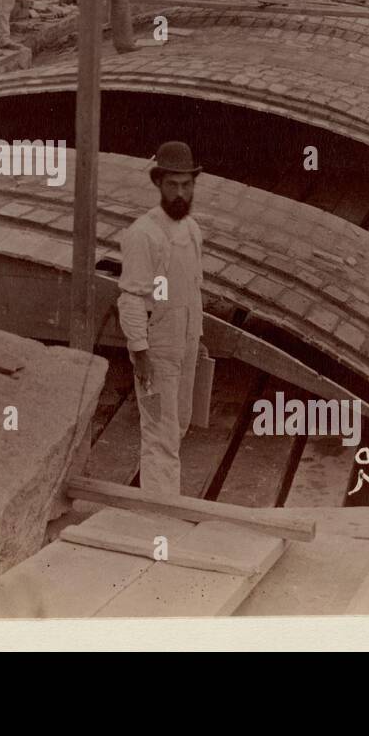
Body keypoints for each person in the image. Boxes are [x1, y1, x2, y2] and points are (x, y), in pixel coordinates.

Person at [117, 141, 204, 497]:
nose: (180, 192)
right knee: (159, 432)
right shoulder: (144, 234)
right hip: (158, 347)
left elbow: (192, 289)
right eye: (173, 185)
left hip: (186, 340)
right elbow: (132, 297)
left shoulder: (192, 229)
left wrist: (196, 335)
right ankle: (159, 516)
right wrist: (141, 353)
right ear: (158, 183)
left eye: (186, 184)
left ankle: (164, 501)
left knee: (179, 423)